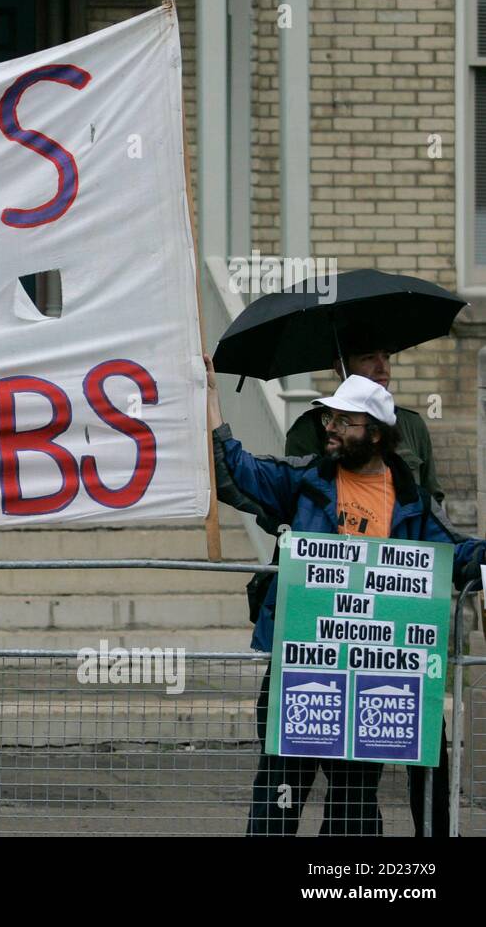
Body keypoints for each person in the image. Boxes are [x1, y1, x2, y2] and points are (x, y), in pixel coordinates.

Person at [206, 356, 486, 835]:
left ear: (375, 433)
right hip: (301, 664)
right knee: (280, 787)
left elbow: (458, 552)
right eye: (327, 419)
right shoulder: (306, 480)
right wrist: (208, 399)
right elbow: (236, 469)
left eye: (342, 421)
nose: (330, 429)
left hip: (372, 673)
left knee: (354, 800)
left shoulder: (410, 502)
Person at [284, 338, 451, 837]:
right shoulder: (309, 444)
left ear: (379, 434)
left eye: (386, 357)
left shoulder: (412, 442)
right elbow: (276, 493)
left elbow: (436, 528)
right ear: (341, 366)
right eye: (367, 358)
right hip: (318, 637)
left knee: (411, 766)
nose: (382, 366)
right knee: (294, 770)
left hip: (397, 636)